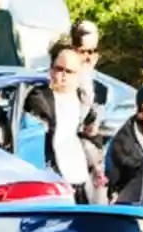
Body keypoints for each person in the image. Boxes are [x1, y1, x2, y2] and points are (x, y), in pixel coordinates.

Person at [23, 43, 102, 204]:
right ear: (51, 70)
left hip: (80, 176)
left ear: (78, 75)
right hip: (51, 178)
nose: (63, 75)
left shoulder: (84, 102)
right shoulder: (40, 98)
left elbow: (93, 139)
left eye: (69, 71)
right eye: (59, 69)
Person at [70, 19, 109, 204]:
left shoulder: (101, 89)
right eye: (84, 51)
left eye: (93, 52)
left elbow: (96, 126)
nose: (89, 58)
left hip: (90, 157)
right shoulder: (60, 82)